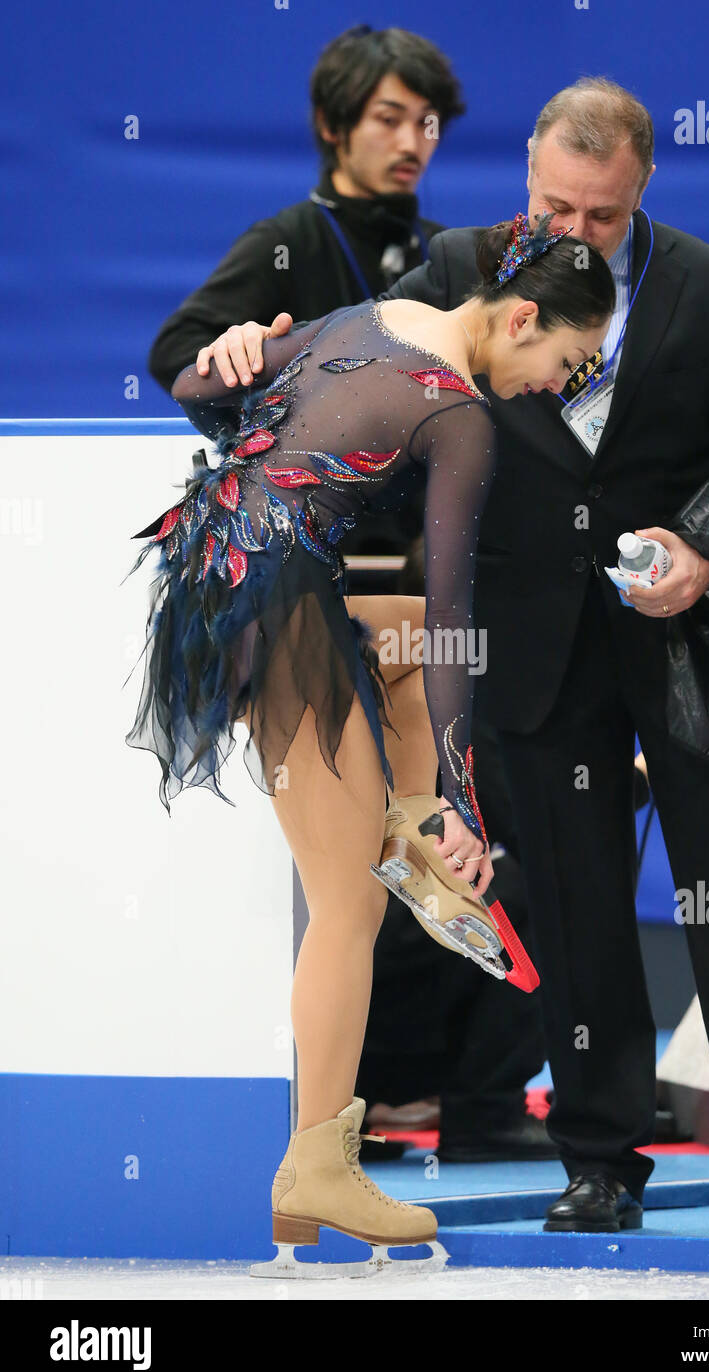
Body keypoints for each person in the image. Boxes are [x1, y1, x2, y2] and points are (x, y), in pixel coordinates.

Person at [201, 76, 709, 1237]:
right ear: (527, 178)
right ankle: (595, 1155)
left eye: (599, 215)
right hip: (532, 649)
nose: (571, 233)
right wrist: (246, 351)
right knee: (572, 910)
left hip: (689, 643)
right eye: (553, 205)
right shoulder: (453, 266)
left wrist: (698, 547)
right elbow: (347, 369)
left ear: (642, 190)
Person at [124, 214, 614, 1267]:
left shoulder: (375, 315)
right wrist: (464, 798)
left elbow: (203, 399)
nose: (553, 384)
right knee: (343, 905)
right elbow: (449, 616)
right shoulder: (459, 415)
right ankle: (316, 1162)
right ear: (520, 315)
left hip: (217, 581)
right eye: (562, 362)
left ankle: (400, 822)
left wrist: (233, 350)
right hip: (278, 610)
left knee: (380, 641)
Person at [148, 24, 465, 394]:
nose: (412, 144)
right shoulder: (286, 242)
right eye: (388, 120)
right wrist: (255, 364)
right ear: (330, 124)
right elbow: (173, 351)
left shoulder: (442, 248)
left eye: (426, 122)